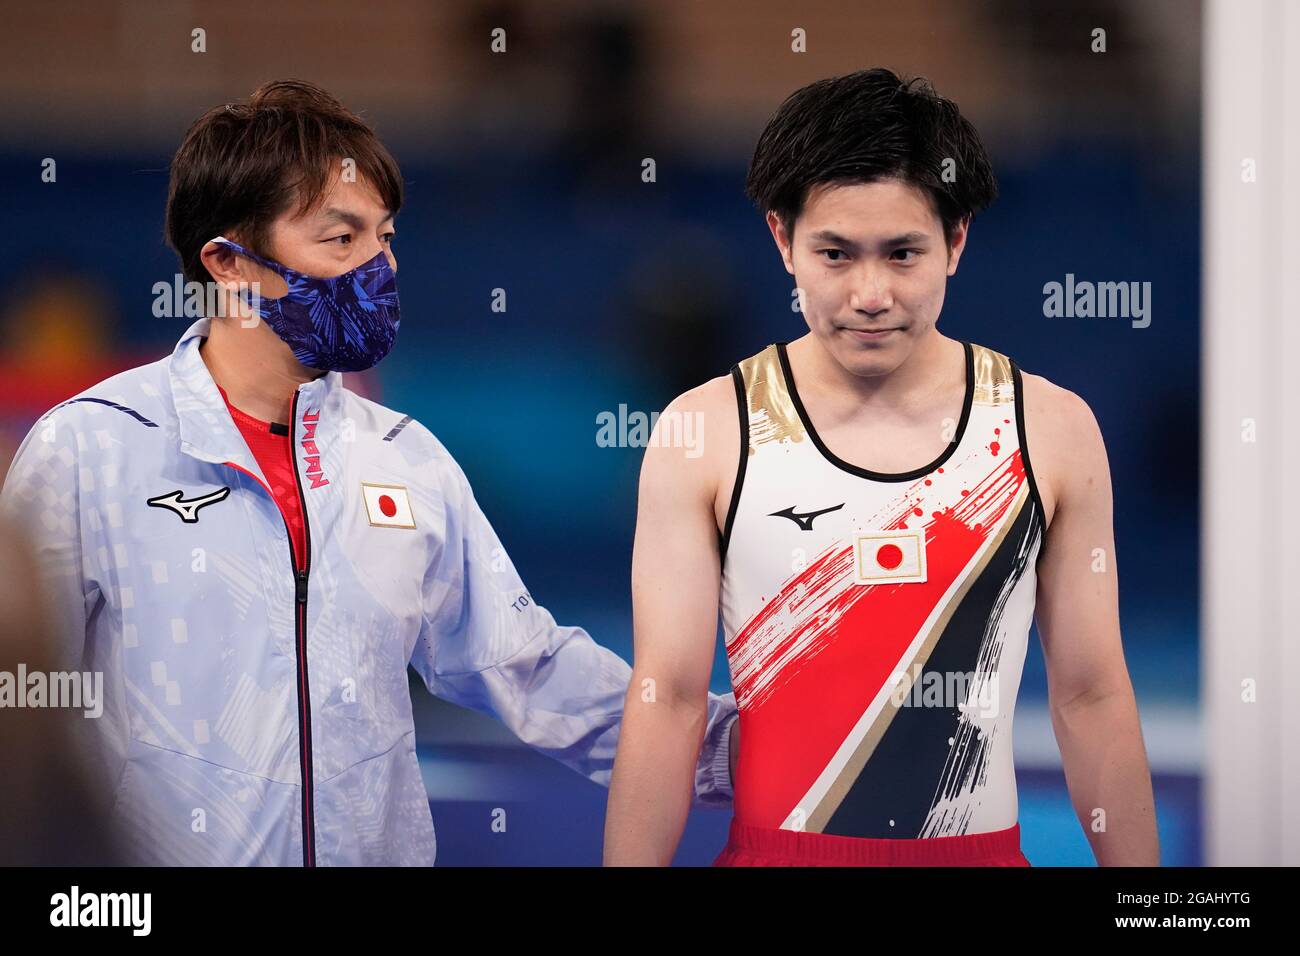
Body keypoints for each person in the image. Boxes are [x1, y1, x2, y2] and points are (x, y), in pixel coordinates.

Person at [0, 80, 737, 866]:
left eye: (383, 237)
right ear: (228, 261)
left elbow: (532, 671)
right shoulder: (90, 450)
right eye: (340, 239)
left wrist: (751, 752)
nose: (378, 267)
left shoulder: (406, 458)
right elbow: (20, 707)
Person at [604, 68, 1157, 867]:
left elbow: (1091, 693)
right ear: (781, 240)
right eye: (835, 253)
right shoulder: (708, 431)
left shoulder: (1050, 429)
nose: (870, 294)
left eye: (903, 254)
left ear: (956, 241)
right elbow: (669, 700)